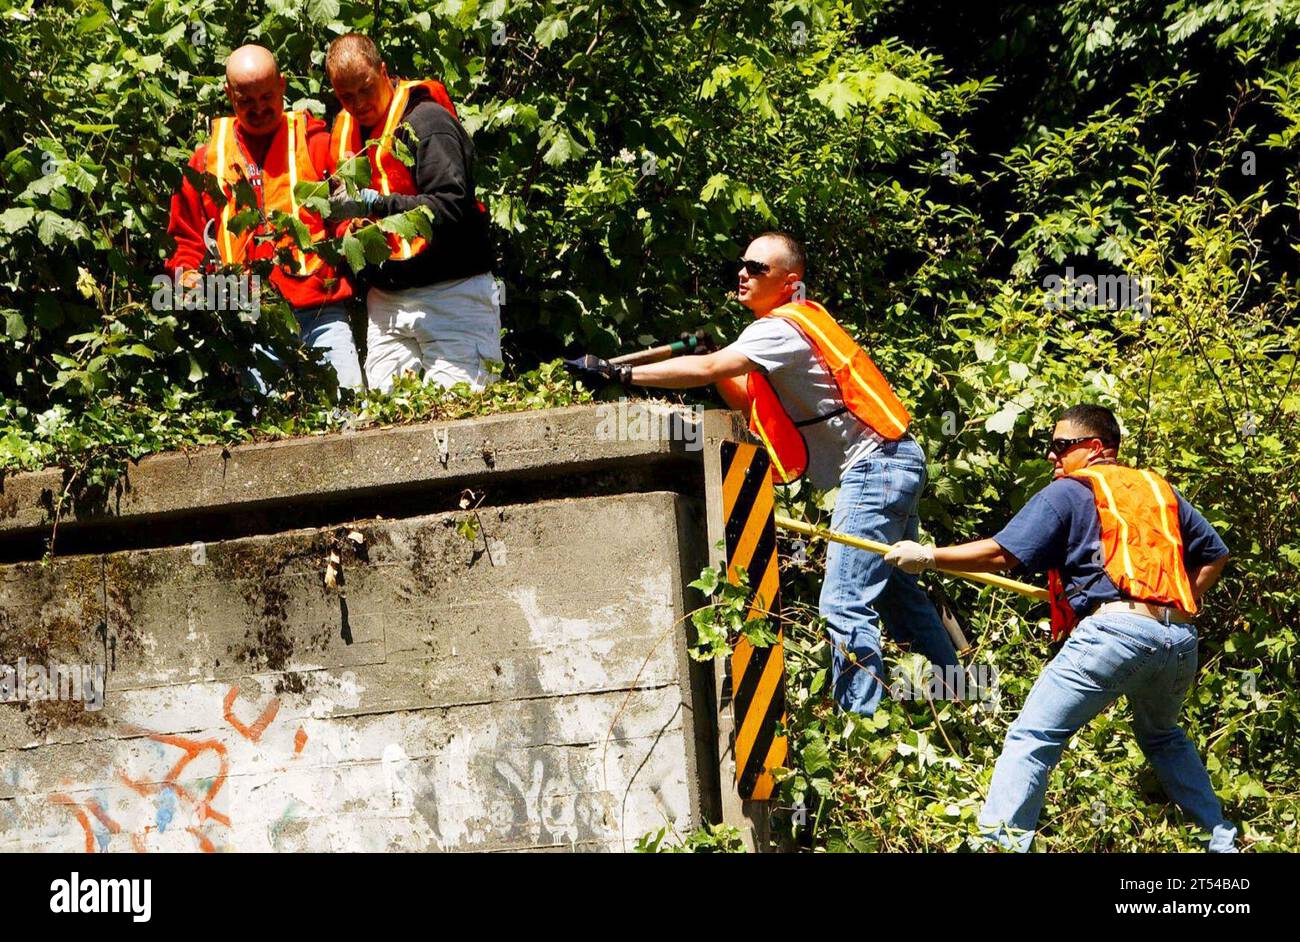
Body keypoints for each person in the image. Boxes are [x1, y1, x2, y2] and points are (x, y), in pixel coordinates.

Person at [565, 232, 961, 715]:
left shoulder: (780, 328)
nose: (743, 274)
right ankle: (961, 701)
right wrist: (710, 368)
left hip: (874, 468)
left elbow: (709, 366)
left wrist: (622, 375)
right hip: (895, 460)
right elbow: (750, 399)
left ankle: (861, 727)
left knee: (842, 604)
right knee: (899, 590)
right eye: (742, 265)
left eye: (757, 268)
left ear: (789, 282)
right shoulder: (797, 326)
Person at [884, 404, 1237, 852]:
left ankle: (1001, 845)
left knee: (1033, 736)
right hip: (1179, 641)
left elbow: (999, 555)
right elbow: (1216, 553)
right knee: (1164, 736)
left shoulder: (1071, 490)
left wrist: (929, 556)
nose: (1053, 458)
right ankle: (1221, 843)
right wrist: (1181, 599)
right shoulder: (1157, 489)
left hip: (1115, 635)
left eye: (1060, 447)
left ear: (1093, 448)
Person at [164, 44, 362, 391]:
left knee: (349, 417)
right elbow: (186, 240)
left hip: (321, 313)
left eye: (266, 97)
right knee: (266, 429)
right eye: (246, 100)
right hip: (250, 322)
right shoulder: (206, 161)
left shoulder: (317, 144)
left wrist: (355, 234)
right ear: (229, 95)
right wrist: (190, 284)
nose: (258, 109)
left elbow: (345, 218)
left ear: (282, 86)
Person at [324, 33, 499, 392]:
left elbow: (450, 205)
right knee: (389, 424)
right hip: (386, 304)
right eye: (346, 95)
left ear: (383, 71)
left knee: (461, 420)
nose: (359, 103)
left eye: (366, 88)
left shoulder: (427, 122)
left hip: (452, 295)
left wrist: (375, 203)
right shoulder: (344, 131)